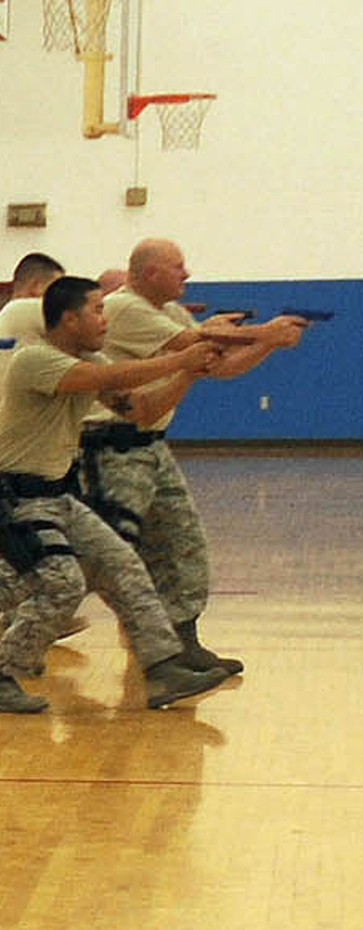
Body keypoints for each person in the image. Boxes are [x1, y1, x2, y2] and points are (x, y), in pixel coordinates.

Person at [0, 276, 233, 713]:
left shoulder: (88, 360)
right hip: (11, 499)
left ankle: (164, 668)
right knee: (62, 586)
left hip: (57, 496)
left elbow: (143, 411)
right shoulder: (34, 359)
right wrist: (180, 356)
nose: (105, 318)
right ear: (69, 319)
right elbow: (104, 376)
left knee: (124, 564)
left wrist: (188, 372)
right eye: (97, 310)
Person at [79, 238, 307, 674]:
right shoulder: (124, 307)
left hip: (150, 445)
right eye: (178, 267)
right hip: (112, 446)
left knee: (184, 542)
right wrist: (266, 331)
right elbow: (194, 342)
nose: (187, 274)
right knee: (102, 558)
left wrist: (268, 344)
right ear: (150, 274)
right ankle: (18, 621)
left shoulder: (168, 311)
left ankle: (181, 643)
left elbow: (216, 364)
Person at [0, 253, 93, 646]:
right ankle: (9, 615)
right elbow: (82, 319)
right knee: (49, 531)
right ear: (38, 290)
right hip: (9, 447)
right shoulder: (22, 310)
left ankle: (24, 613)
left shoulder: (26, 326)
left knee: (46, 530)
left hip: (18, 440)